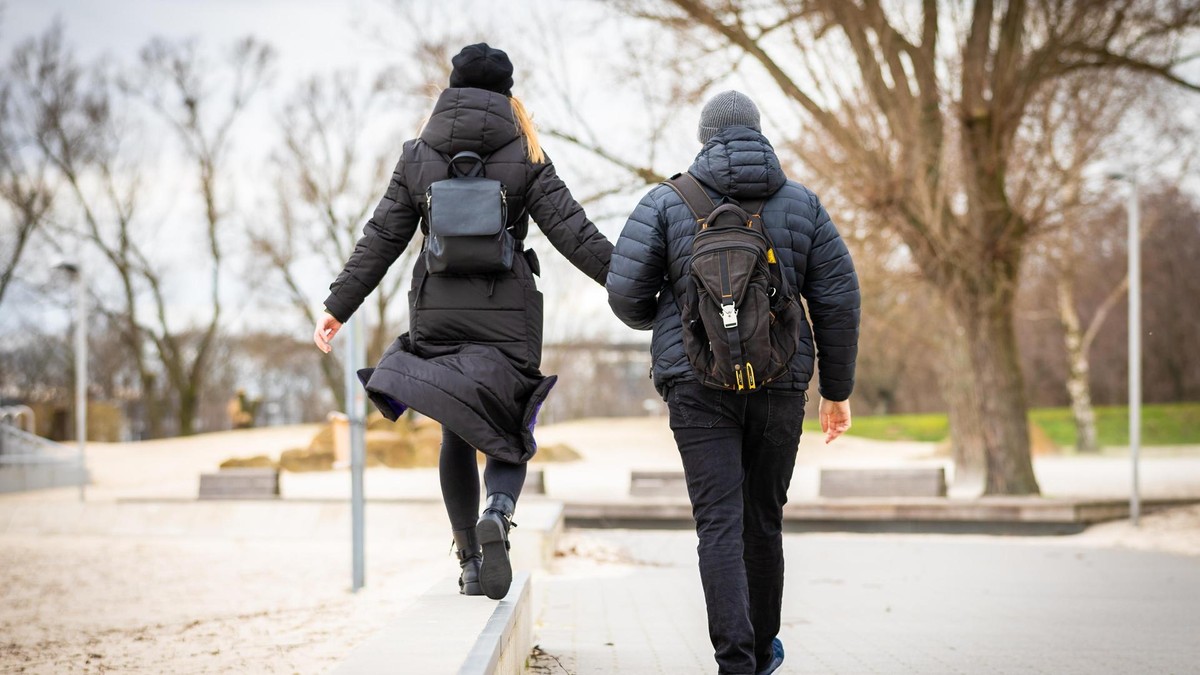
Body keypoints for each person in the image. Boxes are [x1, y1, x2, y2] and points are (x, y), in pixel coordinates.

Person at [313, 43, 612, 601]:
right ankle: (498, 512)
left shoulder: (418, 154)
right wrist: (635, 285)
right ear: (508, 94)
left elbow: (382, 238)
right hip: (508, 315)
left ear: (450, 89)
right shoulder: (527, 152)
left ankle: (471, 563)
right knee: (507, 425)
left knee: (457, 426)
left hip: (439, 315)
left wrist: (337, 306)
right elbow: (576, 234)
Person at [606, 91, 860, 674]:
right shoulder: (802, 204)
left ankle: (735, 663)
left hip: (696, 383)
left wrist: (670, 319)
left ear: (704, 139)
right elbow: (839, 300)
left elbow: (624, 294)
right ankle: (763, 651)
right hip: (779, 382)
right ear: (758, 133)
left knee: (718, 521)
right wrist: (836, 390)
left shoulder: (666, 203)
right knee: (763, 520)